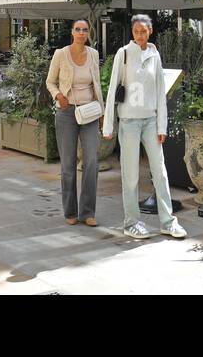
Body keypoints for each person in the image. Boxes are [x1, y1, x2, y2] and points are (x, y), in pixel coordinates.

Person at [102, 14, 186, 240]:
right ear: (132, 32)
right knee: (130, 175)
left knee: (160, 172)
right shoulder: (124, 54)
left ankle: (168, 221)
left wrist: (162, 126)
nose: (140, 35)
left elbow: (160, 92)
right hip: (128, 121)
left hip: (150, 121)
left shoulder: (155, 55)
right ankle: (131, 222)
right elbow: (112, 89)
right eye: (136, 31)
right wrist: (108, 125)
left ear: (150, 32)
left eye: (144, 31)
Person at [45, 19, 104, 227]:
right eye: (77, 29)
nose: (81, 33)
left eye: (84, 30)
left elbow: (97, 85)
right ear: (72, 32)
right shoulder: (61, 54)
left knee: (91, 162)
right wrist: (58, 95)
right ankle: (70, 211)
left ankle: (87, 212)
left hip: (89, 113)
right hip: (67, 112)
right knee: (68, 164)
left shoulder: (94, 54)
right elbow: (49, 81)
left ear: (88, 33)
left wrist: (102, 112)